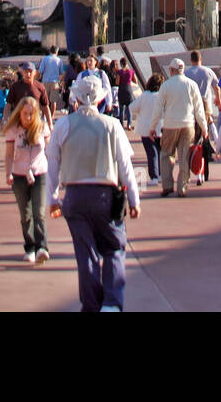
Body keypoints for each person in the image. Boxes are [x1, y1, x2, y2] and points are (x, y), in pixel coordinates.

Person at [46, 74, 140, 312]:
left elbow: (53, 163)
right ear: (101, 98)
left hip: (75, 196)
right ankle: (111, 301)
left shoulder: (63, 125)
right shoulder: (112, 125)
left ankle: (91, 304)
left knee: (85, 252)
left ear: (75, 97)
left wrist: (53, 198)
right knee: (114, 247)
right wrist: (133, 199)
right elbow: (125, 165)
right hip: (105, 195)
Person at [4, 95, 52, 263]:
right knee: (25, 214)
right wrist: (8, 173)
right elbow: (9, 155)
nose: (28, 117)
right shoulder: (13, 131)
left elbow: (49, 152)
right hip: (19, 174)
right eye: (25, 114)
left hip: (40, 173)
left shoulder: (42, 128)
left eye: (31, 114)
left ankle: (42, 247)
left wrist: (55, 174)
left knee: (39, 212)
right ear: (20, 113)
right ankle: (30, 246)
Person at [154, 57, 208, 197]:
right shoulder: (192, 85)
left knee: (166, 154)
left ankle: (167, 185)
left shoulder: (166, 85)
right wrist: (204, 127)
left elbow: (158, 108)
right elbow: (199, 109)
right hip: (188, 124)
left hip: (170, 125)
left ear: (171, 70)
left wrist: (153, 126)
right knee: (185, 157)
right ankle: (182, 187)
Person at [132, 74, 164, 186]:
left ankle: (154, 176)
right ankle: (161, 174)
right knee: (160, 151)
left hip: (146, 128)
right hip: (161, 127)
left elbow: (132, 107)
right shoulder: (162, 95)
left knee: (151, 153)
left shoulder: (145, 95)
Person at [6, 61, 53, 126]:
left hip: (35, 121)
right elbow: (8, 105)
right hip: (18, 122)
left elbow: (45, 106)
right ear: (22, 72)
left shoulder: (40, 87)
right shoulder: (15, 86)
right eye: (26, 71)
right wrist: (5, 121)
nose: (28, 74)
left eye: (30, 72)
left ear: (35, 73)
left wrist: (50, 124)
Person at [37, 46, 62, 115]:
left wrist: (38, 79)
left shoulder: (45, 59)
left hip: (45, 81)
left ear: (49, 51)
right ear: (57, 52)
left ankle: (43, 115)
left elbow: (40, 71)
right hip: (55, 82)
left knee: (44, 100)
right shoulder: (59, 60)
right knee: (53, 101)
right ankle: (51, 116)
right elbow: (61, 73)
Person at [115, 58, 137, 129]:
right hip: (129, 90)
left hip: (122, 90)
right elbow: (135, 81)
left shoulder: (119, 72)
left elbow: (117, 82)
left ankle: (121, 125)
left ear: (121, 64)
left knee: (121, 109)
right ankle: (129, 124)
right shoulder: (131, 71)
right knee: (129, 108)